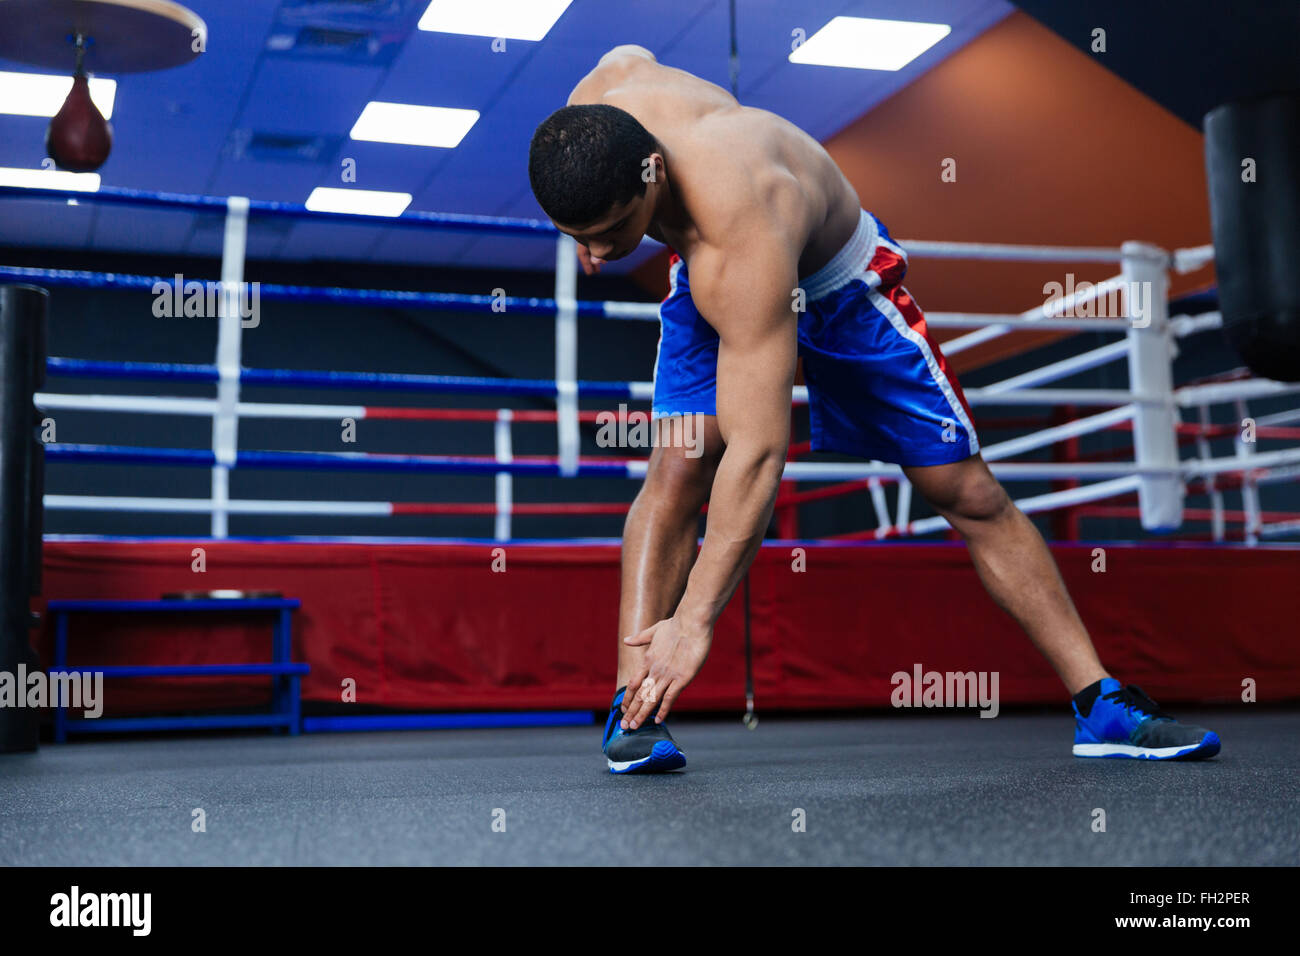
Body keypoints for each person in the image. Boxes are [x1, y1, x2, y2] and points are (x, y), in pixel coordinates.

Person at [527, 45, 1220, 773]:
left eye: (610, 231)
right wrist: (592, 227)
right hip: (710, 265)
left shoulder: (740, 213)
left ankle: (1100, 705)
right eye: (582, 237)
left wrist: (695, 620)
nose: (600, 254)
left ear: (653, 172)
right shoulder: (604, 104)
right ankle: (631, 712)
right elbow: (622, 57)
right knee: (675, 467)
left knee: (966, 492)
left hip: (836, 286)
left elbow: (759, 453)